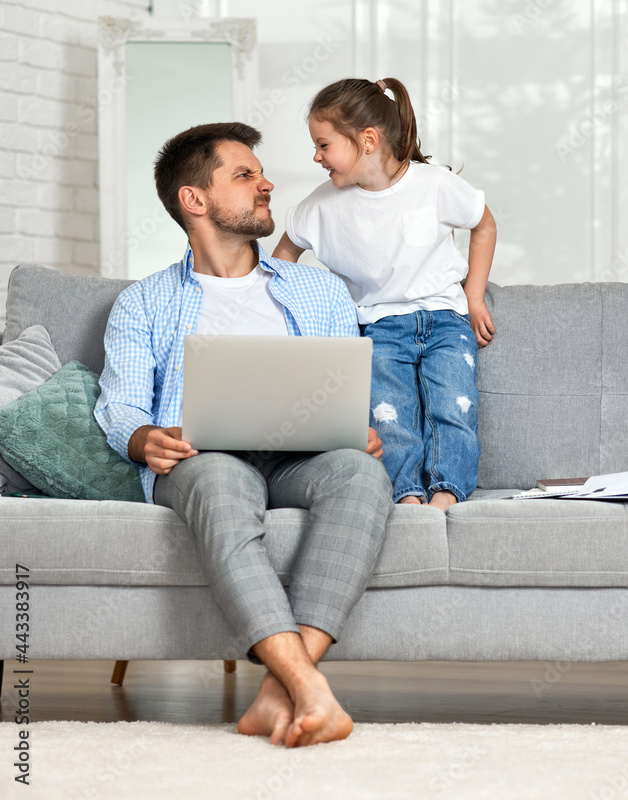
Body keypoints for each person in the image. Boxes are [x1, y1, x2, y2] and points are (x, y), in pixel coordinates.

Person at [94, 122, 394, 748]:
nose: (268, 184)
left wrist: (353, 427)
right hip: (204, 459)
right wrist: (141, 436)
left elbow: (343, 383)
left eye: (260, 174)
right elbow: (118, 403)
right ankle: (308, 689)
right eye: (245, 175)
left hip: (302, 458)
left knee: (363, 474)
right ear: (194, 200)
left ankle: (279, 690)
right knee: (220, 478)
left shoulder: (317, 289)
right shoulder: (143, 302)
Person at [273, 78, 497, 511]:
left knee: (454, 408)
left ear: (368, 140)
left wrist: (473, 296)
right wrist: (295, 321)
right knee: (388, 415)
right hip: (375, 328)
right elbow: (283, 258)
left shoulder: (435, 185)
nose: (316, 157)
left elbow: (483, 224)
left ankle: (448, 491)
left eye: (323, 145)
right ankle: (407, 496)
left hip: (446, 320)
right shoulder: (319, 206)